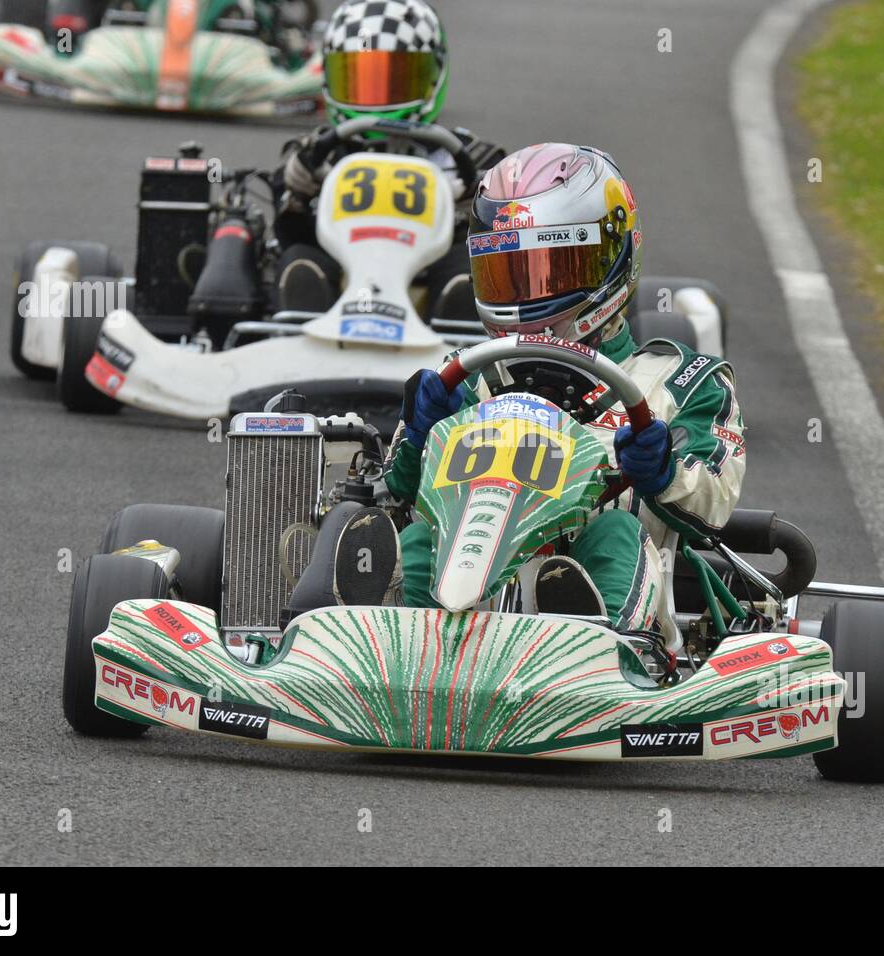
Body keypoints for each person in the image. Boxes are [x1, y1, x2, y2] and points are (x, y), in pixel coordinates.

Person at [336, 143, 746, 642]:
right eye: (511, 275)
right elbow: (398, 496)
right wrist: (419, 436)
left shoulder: (680, 383)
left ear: (613, 255)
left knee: (615, 535)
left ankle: (599, 644)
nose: (532, 296)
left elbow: (715, 505)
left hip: (609, 629)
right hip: (466, 609)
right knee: (421, 538)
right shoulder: (465, 378)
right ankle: (394, 651)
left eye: (556, 271)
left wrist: (664, 473)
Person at [272, 0, 504, 316]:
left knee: (468, 270)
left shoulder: (471, 156)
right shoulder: (317, 152)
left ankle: (457, 337)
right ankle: (295, 333)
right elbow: (286, 225)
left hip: (429, 275)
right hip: (339, 269)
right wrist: (293, 187)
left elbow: (507, 223)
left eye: (395, 80)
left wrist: (477, 202)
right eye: (358, 80)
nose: (377, 98)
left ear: (434, 76)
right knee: (299, 259)